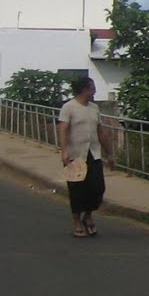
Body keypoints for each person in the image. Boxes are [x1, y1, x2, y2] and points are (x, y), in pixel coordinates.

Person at [57, 76, 115, 238]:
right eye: (92, 88)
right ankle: (77, 223)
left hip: (93, 153)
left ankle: (88, 215)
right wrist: (64, 151)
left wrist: (109, 153)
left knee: (97, 188)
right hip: (76, 154)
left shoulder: (94, 108)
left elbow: (100, 131)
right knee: (76, 190)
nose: (95, 91)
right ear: (84, 90)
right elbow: (63, 130)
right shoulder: (68, 107)